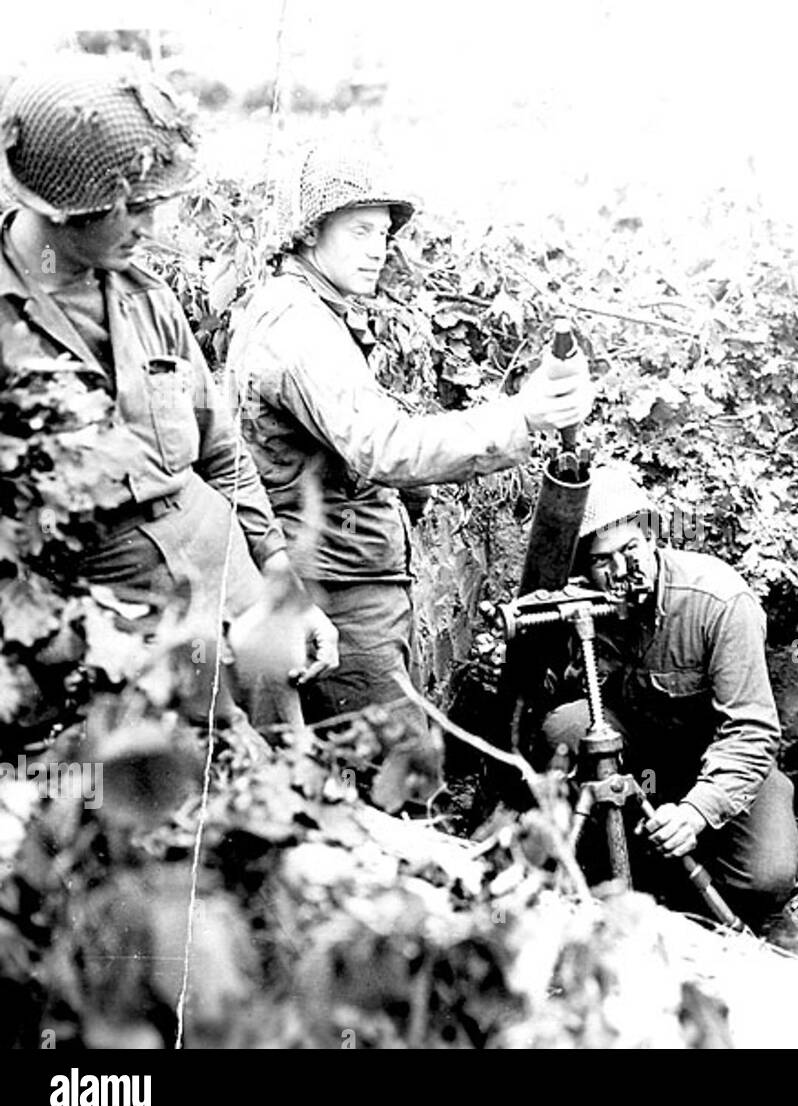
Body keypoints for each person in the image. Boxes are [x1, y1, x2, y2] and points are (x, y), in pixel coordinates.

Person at [226, 141, 594, 810]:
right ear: (309, 232)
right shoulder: (301, 326)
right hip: (334, 588)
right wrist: (524, 416)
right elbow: (382, 448)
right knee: (402, 778)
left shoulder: (305, 311)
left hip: (333, 576)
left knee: (361, 775)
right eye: (359, 231)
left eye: (385, 234)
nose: (378, 248)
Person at [0, 56, 337, 718]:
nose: (151, 229)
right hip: (112, 625)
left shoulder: (147, 299)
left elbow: (221, 452)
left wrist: (276, 576)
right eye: (133, 211)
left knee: (278, 785)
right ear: (66, 209)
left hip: (228, 574)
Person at [539, 469, 798, 927]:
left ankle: (688, 861)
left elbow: (753, 731)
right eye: (603, 562)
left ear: (652, 538)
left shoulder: (717, 600)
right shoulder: (583, 604)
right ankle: (613, 857)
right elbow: (551, 695)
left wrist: (698, 811)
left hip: (721, 761)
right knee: (565, 728)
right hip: (641, 762)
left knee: (767, 879)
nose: (621, 572)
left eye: (630, 550)